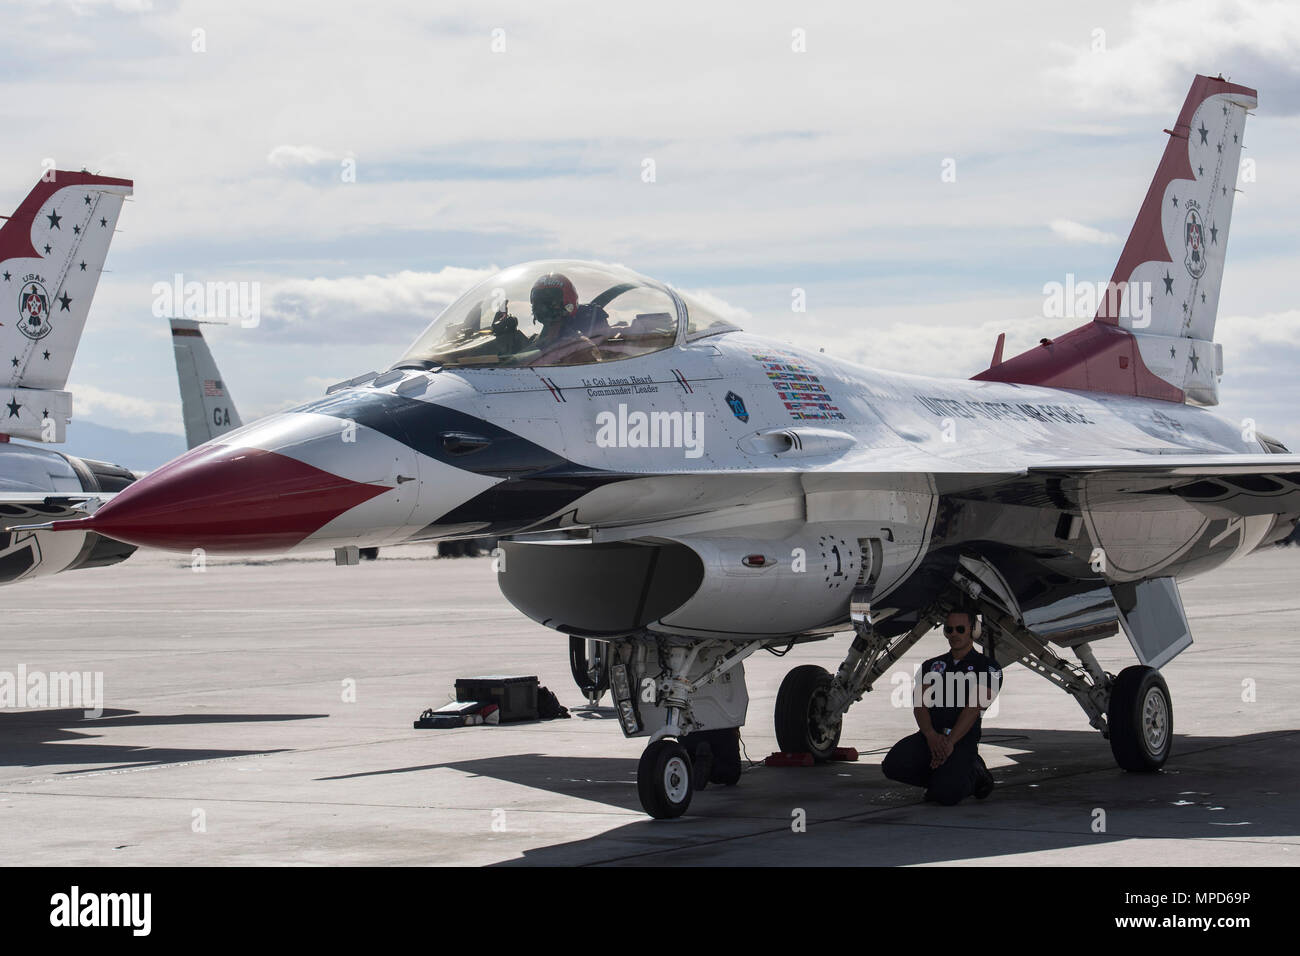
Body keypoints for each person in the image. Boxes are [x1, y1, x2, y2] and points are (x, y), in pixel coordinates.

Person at [881, 609, 1001, 805]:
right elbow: (920, 704)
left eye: (960, 629)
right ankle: (942, 777)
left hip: (961, 741)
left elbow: (973, 709)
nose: (954, 634)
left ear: (973, 631)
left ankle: (975, 774)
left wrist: (949, 743)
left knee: (945, 797)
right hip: (931, 737)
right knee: (893, 765)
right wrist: (930, 736)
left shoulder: (989, 668)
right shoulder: (932, 665)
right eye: (949, 629)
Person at [528, 272, 601, 364]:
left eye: (550, 301)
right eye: (538, 301)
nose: (542, 307)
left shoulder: (580, 347)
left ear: (568, 304)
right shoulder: (532, 343)